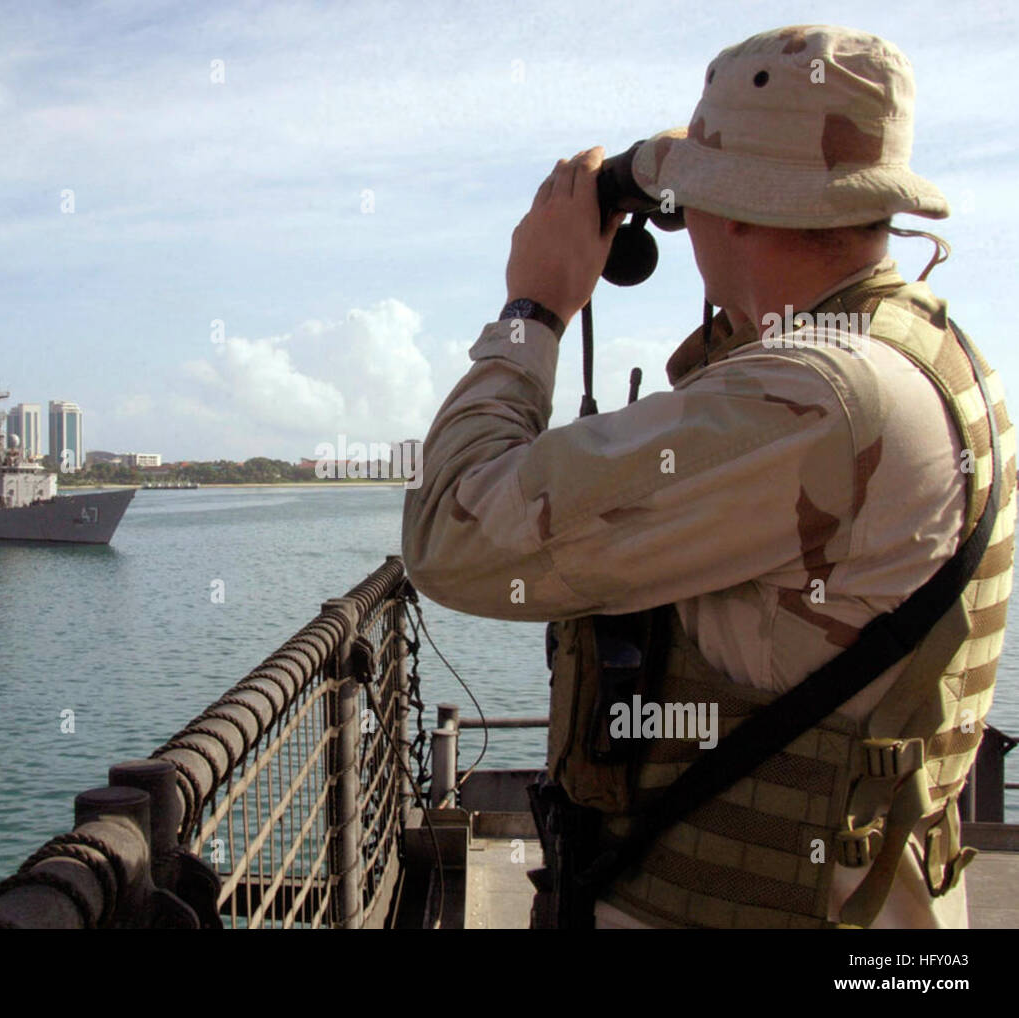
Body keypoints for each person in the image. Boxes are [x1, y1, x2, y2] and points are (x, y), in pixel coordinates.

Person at [400, 24, 1015, 928]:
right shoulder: (932, 353)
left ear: (730, 211)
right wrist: (671, 171)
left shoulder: (814, 400)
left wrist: (531, 309)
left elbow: (451, 535)